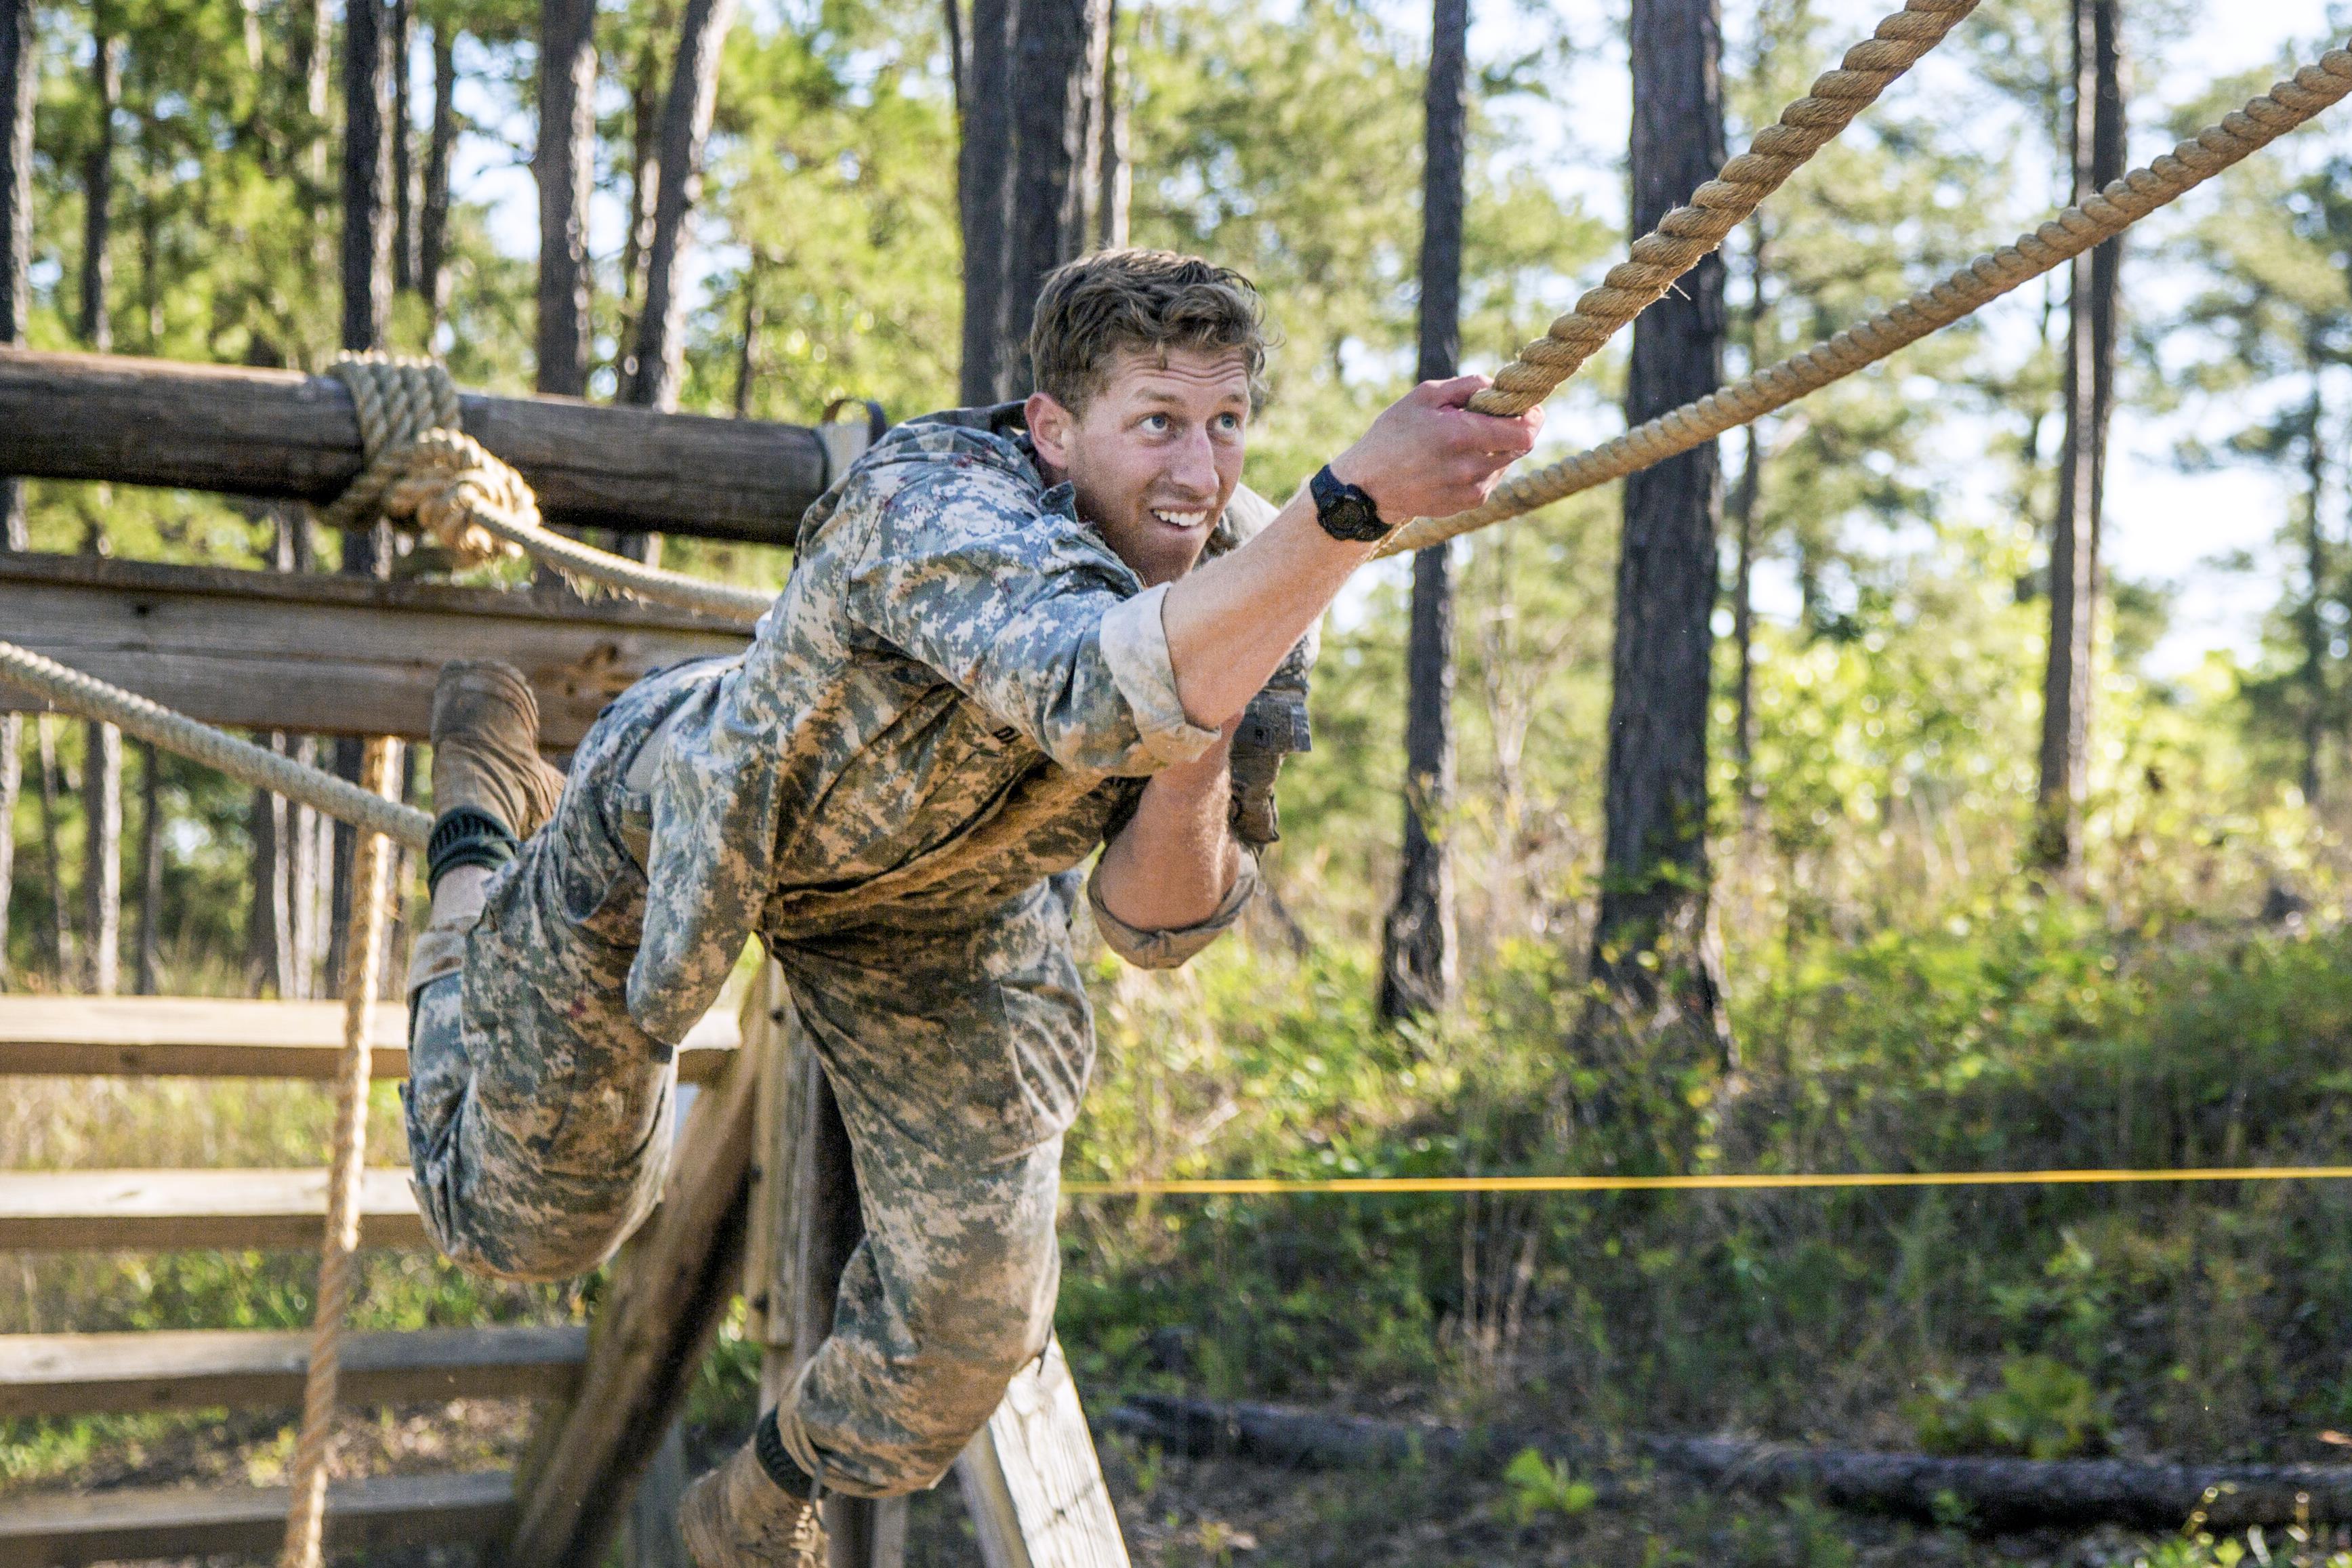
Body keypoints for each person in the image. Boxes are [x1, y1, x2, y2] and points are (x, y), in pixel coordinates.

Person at [398, 249, 1540, 1565]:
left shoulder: (1258, 575)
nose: (1200, 471)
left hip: (941, 905)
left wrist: (1215, 721)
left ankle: (765, 1491)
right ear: (1054, 430)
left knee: (976, 1319)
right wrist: (1349, 506)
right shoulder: (932, 495)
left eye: (1226, 422)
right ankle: (480, 847)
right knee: (533, 1228)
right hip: (694, 818)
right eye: (1156, 423)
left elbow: (1153, 925)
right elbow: (1092, 684)